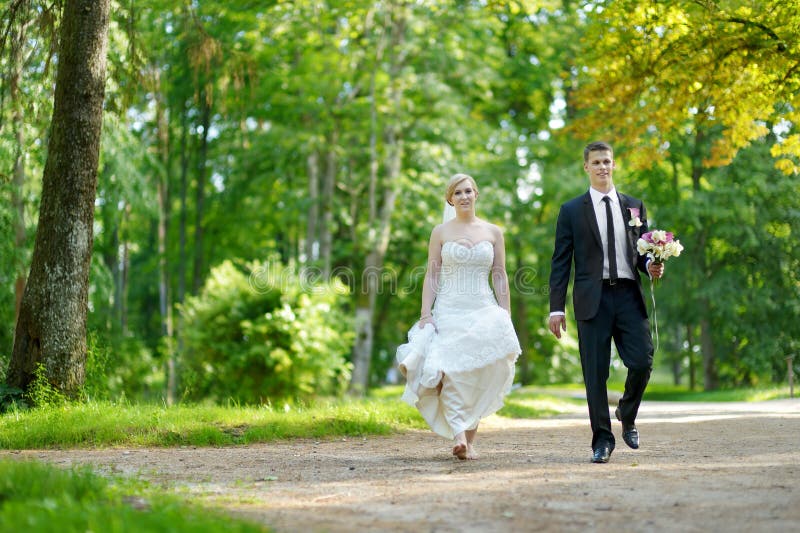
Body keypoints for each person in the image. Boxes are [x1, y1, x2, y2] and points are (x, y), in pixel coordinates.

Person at [548, 141, 664, 464]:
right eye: (596, 162)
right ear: (586, 167)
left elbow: (641, 251)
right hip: (591, 298)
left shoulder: (634, 207)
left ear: (614, 165)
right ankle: (602, 440)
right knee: (595, 374)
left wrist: (651, 265)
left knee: (642, 360)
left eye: (607, 161)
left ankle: (627, 412)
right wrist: (556, 307)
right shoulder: (571, 211)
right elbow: (561, 262)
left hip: (628, 295)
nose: (602, 167)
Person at [396, 173, 521, 460]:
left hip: (483, 310)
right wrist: (425, 313)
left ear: (476, 194)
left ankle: (469, 439)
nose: (464, 196)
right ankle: (459, 437)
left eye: (468, 191)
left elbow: (499, 275)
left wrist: (506, 314)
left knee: (481, 370)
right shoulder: (440, 232)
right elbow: (432, 273)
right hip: (449, 310)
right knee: (451, 372)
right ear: (450, 199)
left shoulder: (493, 232)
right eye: (457, 193)